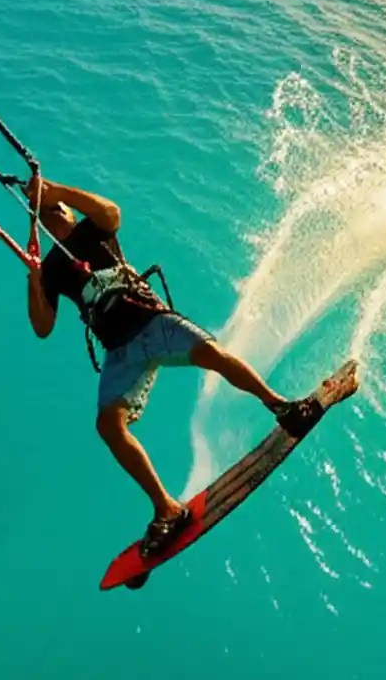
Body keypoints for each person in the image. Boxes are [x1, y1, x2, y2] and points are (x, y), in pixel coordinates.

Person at [23, 174, 323, 557]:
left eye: (55, 206)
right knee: (107, 425)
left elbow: (112, 213)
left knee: (214, 355)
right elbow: (42, 327)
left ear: (65, 206)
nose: (51, 213)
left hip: (152, 322)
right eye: (43, 212)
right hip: (120, 352)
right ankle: (166, 507)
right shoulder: (49, 267)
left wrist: (56, 190)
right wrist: (34, 277)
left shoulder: (91, 230)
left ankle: (281, 406)